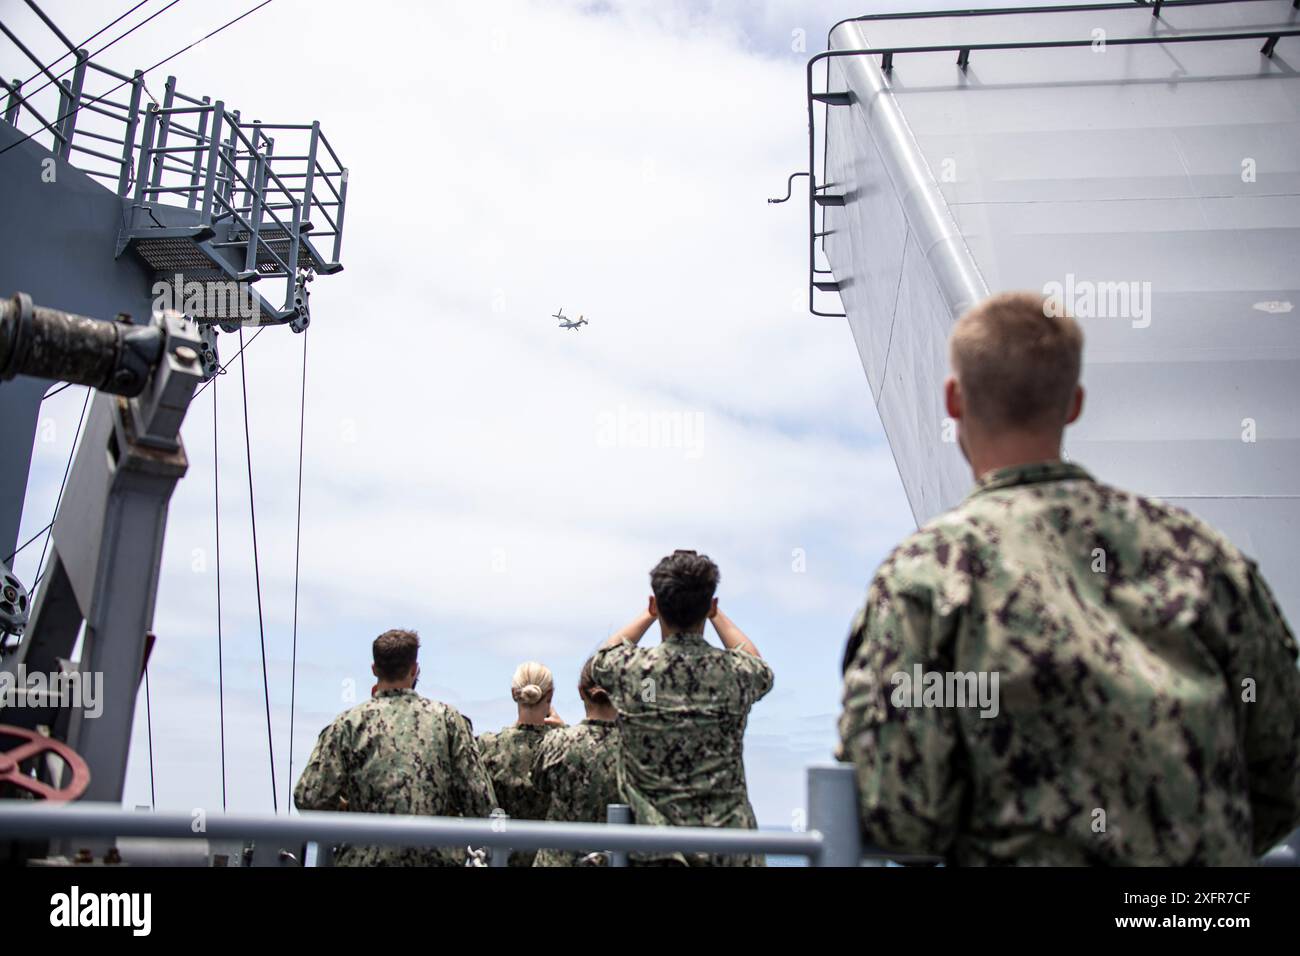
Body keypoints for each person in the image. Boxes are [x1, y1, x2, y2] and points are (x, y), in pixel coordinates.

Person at [838, 290, 1300, 866]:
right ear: (1074, 403)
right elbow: (1283, 774)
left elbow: (902, 814)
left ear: (953, 398)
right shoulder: (1203, 556)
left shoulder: (929, 576)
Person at [592, 550, 772, 866]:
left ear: (655, 604)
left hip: (656, 854)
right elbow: (757, 663)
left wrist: (651, 613)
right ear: (711, 605)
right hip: (728, 852)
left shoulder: (631, 669)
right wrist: (714, 613)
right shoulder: (735, 673)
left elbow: (602, 658)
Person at [293, 629, 497, 866]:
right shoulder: (448, 720)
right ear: (414, 669)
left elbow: (309, 798)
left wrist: (350, 813)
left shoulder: (349, 724)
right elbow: (481, 803)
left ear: (374, 670)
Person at [532, 656, 623, 867]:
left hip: (559, 859)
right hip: (615, 858)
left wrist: (563, 732)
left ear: (581, 691)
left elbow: (539, 784)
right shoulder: (637, 748)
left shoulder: (557, 742)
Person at [476, 661, 563, 867]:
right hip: (552, 859)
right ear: (549, 695)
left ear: (514, 693)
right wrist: (564, 729)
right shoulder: (562, 747)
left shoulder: (490, 746)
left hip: (503, 858)